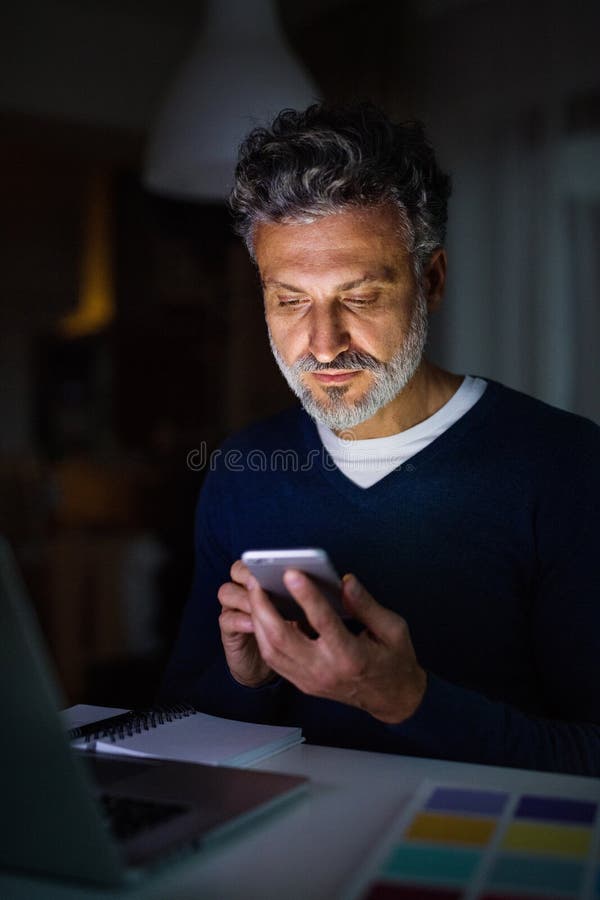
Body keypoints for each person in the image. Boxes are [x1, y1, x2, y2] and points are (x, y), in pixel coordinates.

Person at [160, 102, 600, 775]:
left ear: (431, 282)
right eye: (289, 299)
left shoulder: (567, 469)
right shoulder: (243, 471)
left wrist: (408, 701)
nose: (322, 343)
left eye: (359, 297)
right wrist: (248, 681)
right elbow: (185, 724)